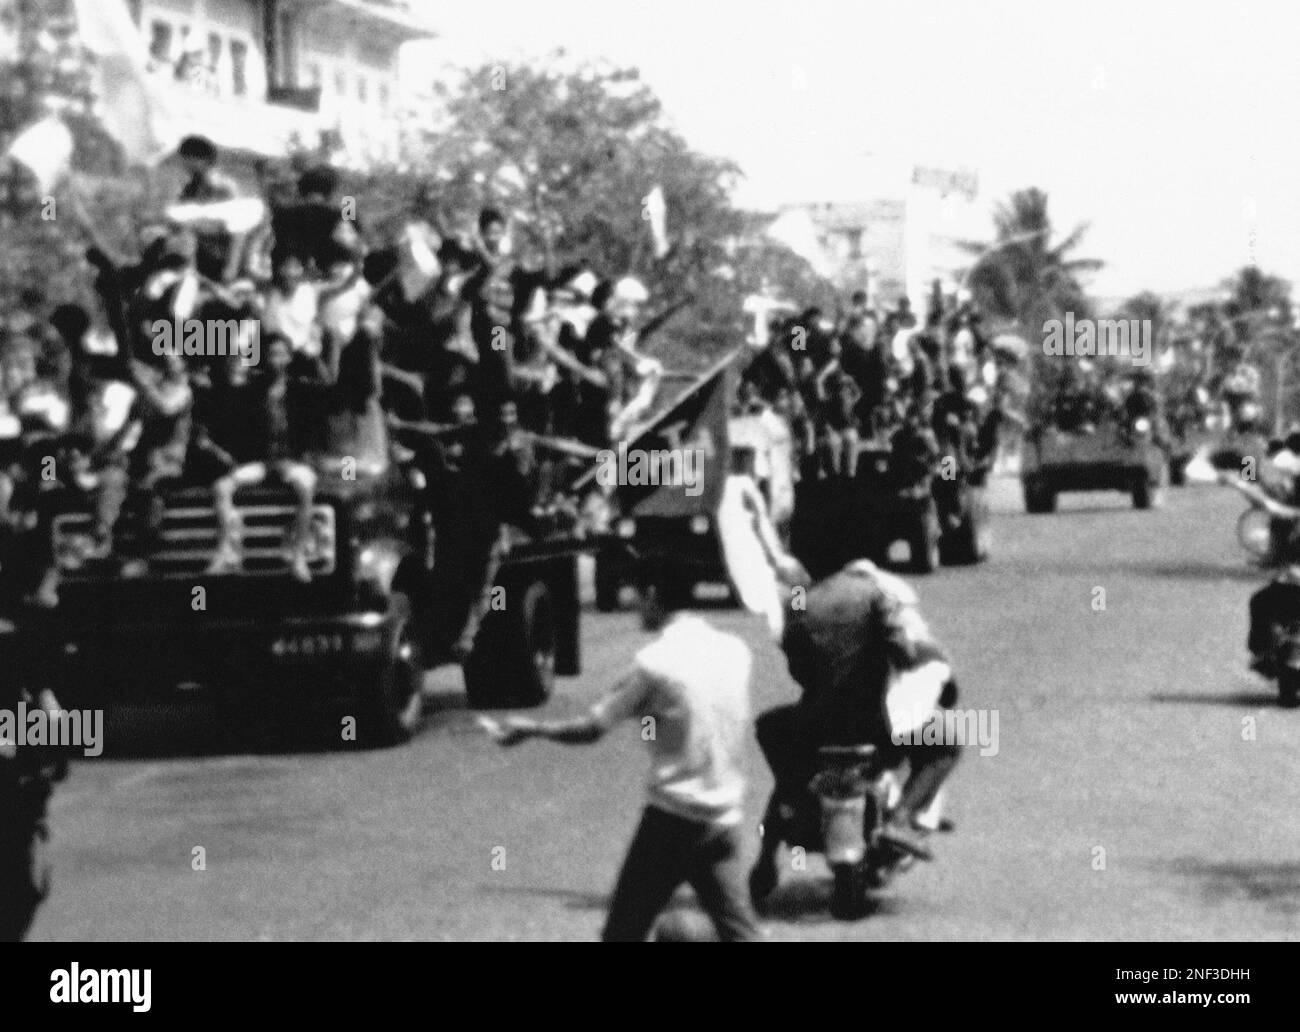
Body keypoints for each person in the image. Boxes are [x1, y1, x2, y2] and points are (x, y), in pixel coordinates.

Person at [488, 572, 764, 942]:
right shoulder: (735, 650)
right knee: (742, 934)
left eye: (637, 596)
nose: (634, 606)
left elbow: (592, 728)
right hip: (724, 816)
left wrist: (531, 729)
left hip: (672, 819)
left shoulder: (654, 662)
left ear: (652, 593)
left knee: (622, 933)